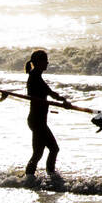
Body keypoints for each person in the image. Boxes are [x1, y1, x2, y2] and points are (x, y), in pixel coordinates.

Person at [24, 50, 71, 179]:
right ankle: (51, 176)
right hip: (37, 121)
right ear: (38, 62)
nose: (48, 63)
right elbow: (49, 93)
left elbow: (49, 93)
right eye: (45, 60)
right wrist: (63, 101)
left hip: (37, 120)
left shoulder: (36, 76)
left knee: (38, 153)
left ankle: (29, 177)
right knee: (54, 149)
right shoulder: (34, 77)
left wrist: (63, 100)